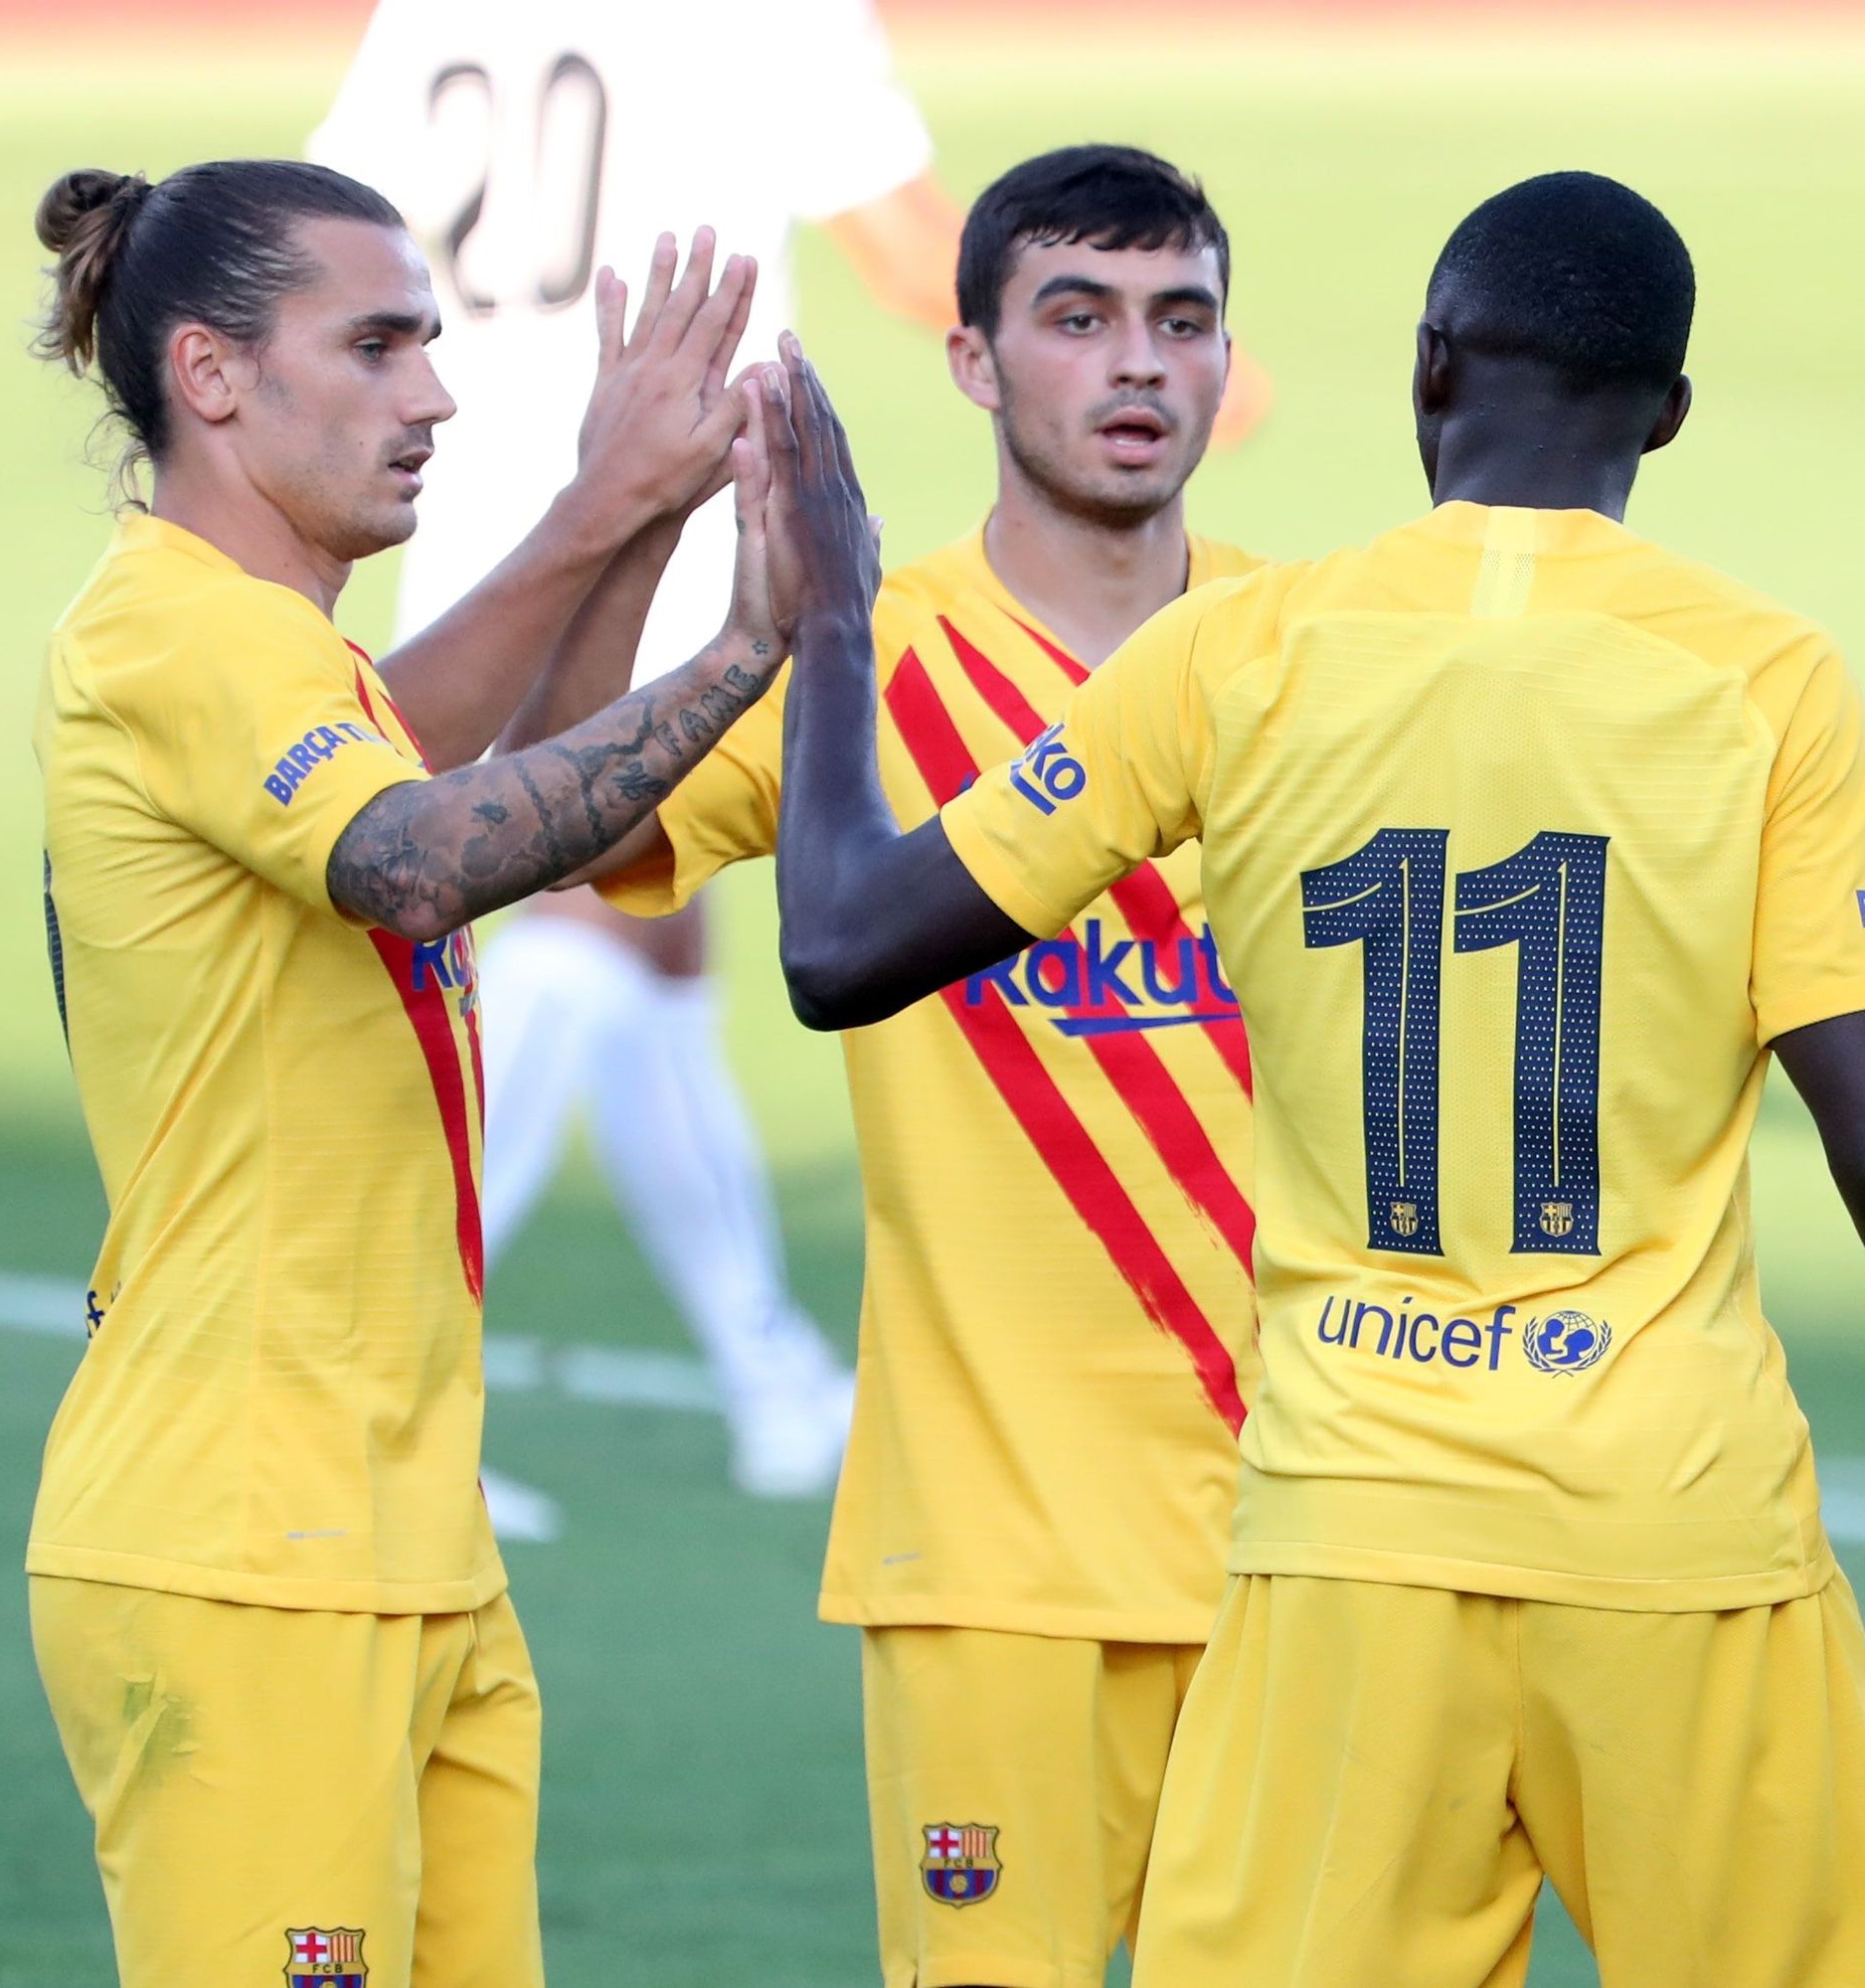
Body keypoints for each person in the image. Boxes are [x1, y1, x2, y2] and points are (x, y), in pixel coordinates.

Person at [759, 171, 1865, 1988]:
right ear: (1667, 414)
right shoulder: (1770, 678)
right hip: (1673, 1536)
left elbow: (840, 949)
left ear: (1425, 368)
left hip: (1349, 1537)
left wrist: (825, 617)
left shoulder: (1236, 651)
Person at [309, 4, 1271, 1495]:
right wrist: (1119, 352)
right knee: (573, 933)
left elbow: (350, 231)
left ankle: (758, 1365)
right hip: (683, 491)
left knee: (644, 961)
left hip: (484, 493)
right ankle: (383, 1389)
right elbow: (901, 240)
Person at [25, 158, 783, 1988]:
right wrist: (757, 644)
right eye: (375, 346)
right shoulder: (170, 634)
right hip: (240, 1549)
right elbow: (429, 857)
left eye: (430, 347)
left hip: (404, 1534)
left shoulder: (288, 661)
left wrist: (624, 514)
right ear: (211, 375)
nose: (432, 395)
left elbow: (444, 752)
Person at [590, 145, 1260, 1988]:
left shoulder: (1325, 657)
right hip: (994, 1566)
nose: (1138, 366)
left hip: (1311, 1542)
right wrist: (622, 515)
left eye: (1180, 322)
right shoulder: (860, 663)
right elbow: (528, 821)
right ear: (970, 360)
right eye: (1078, 319)